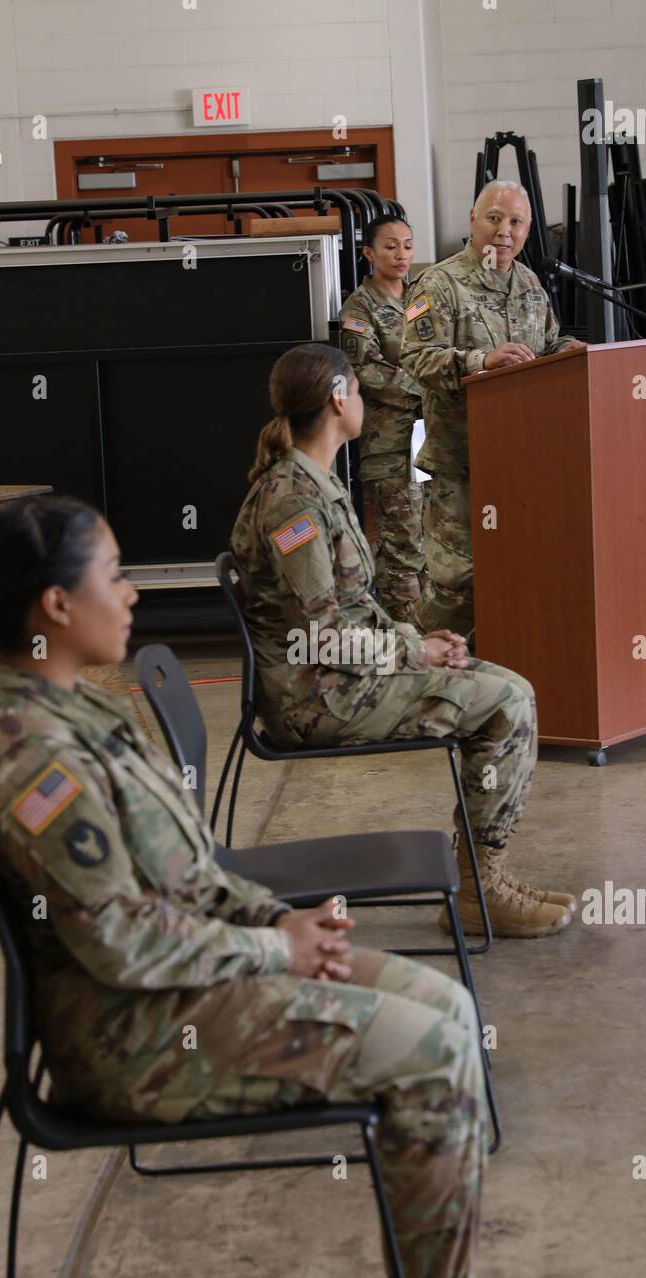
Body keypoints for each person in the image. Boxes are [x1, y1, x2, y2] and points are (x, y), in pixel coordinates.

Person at [0, 494, 487, 1278]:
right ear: (56, 604)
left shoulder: (77, 707)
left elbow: (185, 865)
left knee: (455, 1013)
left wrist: (273, 917)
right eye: (115, 576)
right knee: (431, 1054)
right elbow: (122, 940)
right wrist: (276, 951)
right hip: (137, 1036)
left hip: (194, 985)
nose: (132, 594)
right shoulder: (27, 760)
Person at [230, 342, 577, 937]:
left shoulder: (312, 481)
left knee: (504, 685)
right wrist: (416, 652)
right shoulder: (294, 503)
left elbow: (353, 609)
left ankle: (481, 880)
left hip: (341, 677)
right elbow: (326, 638)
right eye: (358, 391)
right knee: (508, 702)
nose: (362, 399)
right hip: (318, 698)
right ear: (338, 398)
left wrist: (413, 636)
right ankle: (481, 889)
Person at [400, 180, 583, 637]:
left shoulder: (529, 283)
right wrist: (482, 362)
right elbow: (416, 358)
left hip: (523, 463)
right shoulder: (438, 284)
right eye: (494, 218)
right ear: (473, 222)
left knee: (520, 577)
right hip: (462, 462)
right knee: (458, 585)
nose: (504, 231)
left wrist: (572, 350)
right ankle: (418, 675)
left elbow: (546, 343)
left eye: (516, 222)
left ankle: (497, 680)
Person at [339, 216, 424, 624]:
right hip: (389, 445)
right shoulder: (359, 308)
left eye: (407, 245)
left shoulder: (421, 297)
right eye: (390, 246)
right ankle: (403, 639)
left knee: (429, 543)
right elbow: (367, 372)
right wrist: (429, 389)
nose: (402, 254)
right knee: (401, 547)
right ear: (369, 253)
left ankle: (431, 634)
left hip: (430, 441)